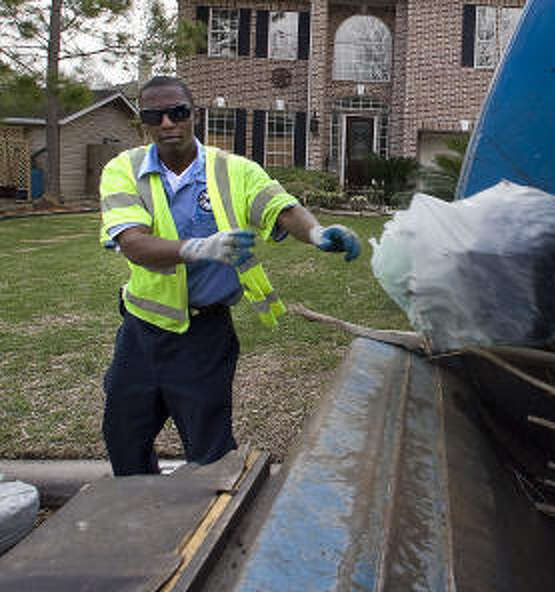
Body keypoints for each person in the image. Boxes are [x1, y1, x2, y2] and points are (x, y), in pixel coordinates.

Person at [98, 75, 360, 476]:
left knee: (210, 452)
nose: (168, 122)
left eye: (178, 112)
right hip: (141, 333)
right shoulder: (122, 171)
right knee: (124, 438)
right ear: (143, 123)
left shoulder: (234, 171)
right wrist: (197, 248)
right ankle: (143, 519)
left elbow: (281, 208)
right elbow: (132, 242)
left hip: (205, 335)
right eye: (155, 115)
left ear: (194, 115)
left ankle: (207, 528)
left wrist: (317, 232)